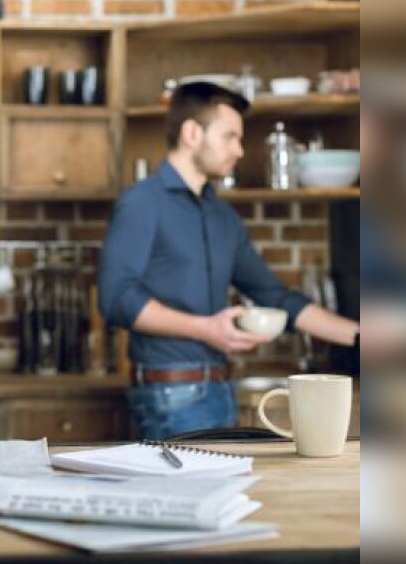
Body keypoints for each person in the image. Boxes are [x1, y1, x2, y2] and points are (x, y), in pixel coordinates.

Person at [97, 81, 359, 440]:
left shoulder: (222, 216)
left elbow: (275, 296)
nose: (239, 150)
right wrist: (206, 329)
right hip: (169, 394)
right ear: (192, 133)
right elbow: (115, 299)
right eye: (229, 137)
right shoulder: (141, 203)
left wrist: (360, 336)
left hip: (221, 389)